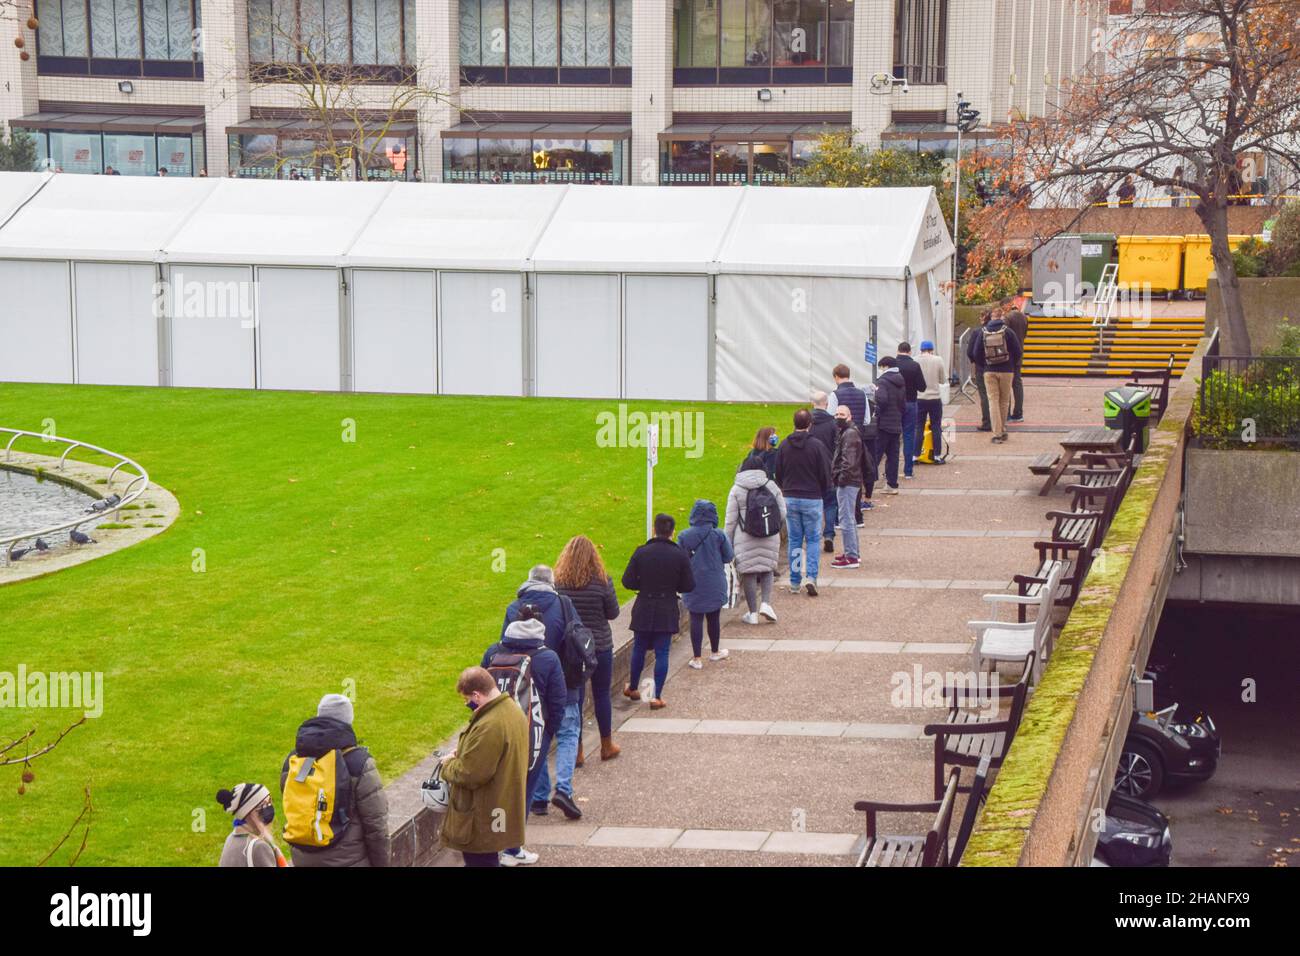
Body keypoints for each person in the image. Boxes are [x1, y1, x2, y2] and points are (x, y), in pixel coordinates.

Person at [482, 604, 567, 830]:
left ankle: (493, 843)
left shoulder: (493, 652)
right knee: (525, 788)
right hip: (533, 731)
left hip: (493, 729)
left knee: (494, 788)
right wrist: (548, 731)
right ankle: (513, 847)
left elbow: (477, 691)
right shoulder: (548, 657)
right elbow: (558, 701)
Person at [280, 694, 389, 867]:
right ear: (348, 721)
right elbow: (376, 828)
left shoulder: (293, 759)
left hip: (303, 858)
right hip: (349, 860)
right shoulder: (359, 763)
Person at [438, 666, 529, 868]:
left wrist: (447, 765)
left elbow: (471, 774)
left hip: (482, 816)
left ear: (477, 695)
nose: (466, 703)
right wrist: (464, 751)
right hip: (500, 807)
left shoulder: (489, 725)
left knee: (480, 862)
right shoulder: (512, 711)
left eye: (466, 699)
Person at [554, 535, 621, 763]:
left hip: (574, 650)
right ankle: (606, 744)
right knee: (602, 695)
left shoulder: (559, 584)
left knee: (577, 700)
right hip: (600, 645)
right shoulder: (603, 581)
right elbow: (613, 613)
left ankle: (578, 750)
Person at [622, 513, 694, 709]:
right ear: (672, 532)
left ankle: (634, 687)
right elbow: (689, 585)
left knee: (639, 647)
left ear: (654, 529)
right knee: (662, 652)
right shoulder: (679, 554)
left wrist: (643, 584)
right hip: (666, 606)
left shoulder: (641, 552)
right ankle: (657, 696)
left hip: (644, 604)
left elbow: (627, 581)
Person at [775, 408, 832, 596]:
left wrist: (785, 488)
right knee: (814, 539)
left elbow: (779, 472)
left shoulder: (784, 446)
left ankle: (794, 580)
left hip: (790, 497)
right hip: (811, 498)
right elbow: (825, 472)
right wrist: (823, 490)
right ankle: (811, 576)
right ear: (810, 425)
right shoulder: (817, 446)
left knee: (795, 539)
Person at [724, 454, 786, 624]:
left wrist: (726, 543)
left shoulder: (737, 489)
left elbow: (730, 520)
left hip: (745, 537)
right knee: (767, 569)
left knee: (749, 573)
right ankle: (766, 603)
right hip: (769, 533)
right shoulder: (772, 486)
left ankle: (752, 614)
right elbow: (783, 513)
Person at [678, 499, 735, 669]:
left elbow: (680, 560)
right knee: (713, 617)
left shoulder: (684, 536)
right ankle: (715, 652)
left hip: (693, 582)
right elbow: (728, 556)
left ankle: (696, 657)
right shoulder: (718, 535)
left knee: (695, 618)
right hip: (714, 581)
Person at [971, 310, 1023, 444]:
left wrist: (985, 364)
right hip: (1007, 370)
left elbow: (976, 353)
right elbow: (1018, 351)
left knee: (992, 400)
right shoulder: (1008, 332)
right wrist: (1010, 363)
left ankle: (997, 433)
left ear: (991, 318)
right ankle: (1003, 429)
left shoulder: (983, 331)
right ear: (1002, 317)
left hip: (989, 370)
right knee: (1004, 400)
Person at [832, 364, 875, 521]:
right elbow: (867, 419)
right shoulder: (861, 394)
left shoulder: (834, 395)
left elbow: (832, 420)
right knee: (857, 476)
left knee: (843, 474)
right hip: (859, 438)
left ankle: (843, 516)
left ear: (836, 377)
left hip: (841, 439)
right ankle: (857, 513)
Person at [830, 406, 870, 570]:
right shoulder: (848, 432)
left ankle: (851, 556)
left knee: (846, 519)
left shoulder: (850, 434)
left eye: (842, 414)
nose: (838, 417)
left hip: (847, 482)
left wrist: (840, 479)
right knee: (849, 519)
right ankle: (852, 553)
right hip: (850, 481)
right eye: (837, 414)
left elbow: (849, 462)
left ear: (849, 416)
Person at [216, 782, 287, 867]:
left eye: (270, 801)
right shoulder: (259, 847)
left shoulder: (231, 838)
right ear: (248, 812)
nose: (269, 806)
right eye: (264, 804)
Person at [808, 390, 839, 555]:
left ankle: (813, 534)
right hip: (828, 468)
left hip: (809, 469)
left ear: (813, 403)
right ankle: (828, 534)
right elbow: (837, 446)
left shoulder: (806, 422)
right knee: (830, 503)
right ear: (826, 404)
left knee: (812, 503)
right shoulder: (832, 423)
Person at [873, 357, 907, 493]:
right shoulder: (900, 380)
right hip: (896, 422)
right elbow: (903, 403)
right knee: (893, 455)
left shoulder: (882, 381)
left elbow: (882, 400)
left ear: (885, 366)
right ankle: (892, 485)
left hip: (883, 423)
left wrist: (877, 411)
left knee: (876, 454)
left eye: (881, 367)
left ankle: (868, 484)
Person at [895, 342, 927, 479]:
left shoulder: (893, 365)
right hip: (910, 402)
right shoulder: (914, 365)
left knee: (893, 438)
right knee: (908, 436)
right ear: (909, 351)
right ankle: (908, 471)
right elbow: (922, 387)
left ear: (898, 351)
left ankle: (890, 471)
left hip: (894, 405)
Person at [915, 340, 947, 465]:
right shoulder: (938, 360)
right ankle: (937, 456)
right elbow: (943, 380)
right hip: (934, 398)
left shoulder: (915, 360)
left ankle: (915, 455)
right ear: (932, 349)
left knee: (919, 427)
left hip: (919, 398)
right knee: (936, 427)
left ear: (921, 350)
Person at [999, 301, 1029, 422]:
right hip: (1019, 353)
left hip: (1008, 355)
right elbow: (1025, 334)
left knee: (1006, 384)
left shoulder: (1007, 318)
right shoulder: (1024, 317)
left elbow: (1003, 335)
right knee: (1017, 384)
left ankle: (1006, 414)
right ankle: (1018, 412)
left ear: (1006, 305)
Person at [966, 311, 994, 431]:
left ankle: (987, 422)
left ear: (983, 318)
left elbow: (970, 351)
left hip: (982, 368)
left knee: (984, 396)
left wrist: (976, 362)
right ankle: (999, 422)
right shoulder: (1001, 330)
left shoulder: (978, 331)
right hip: (998, 367)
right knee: (997, 396)